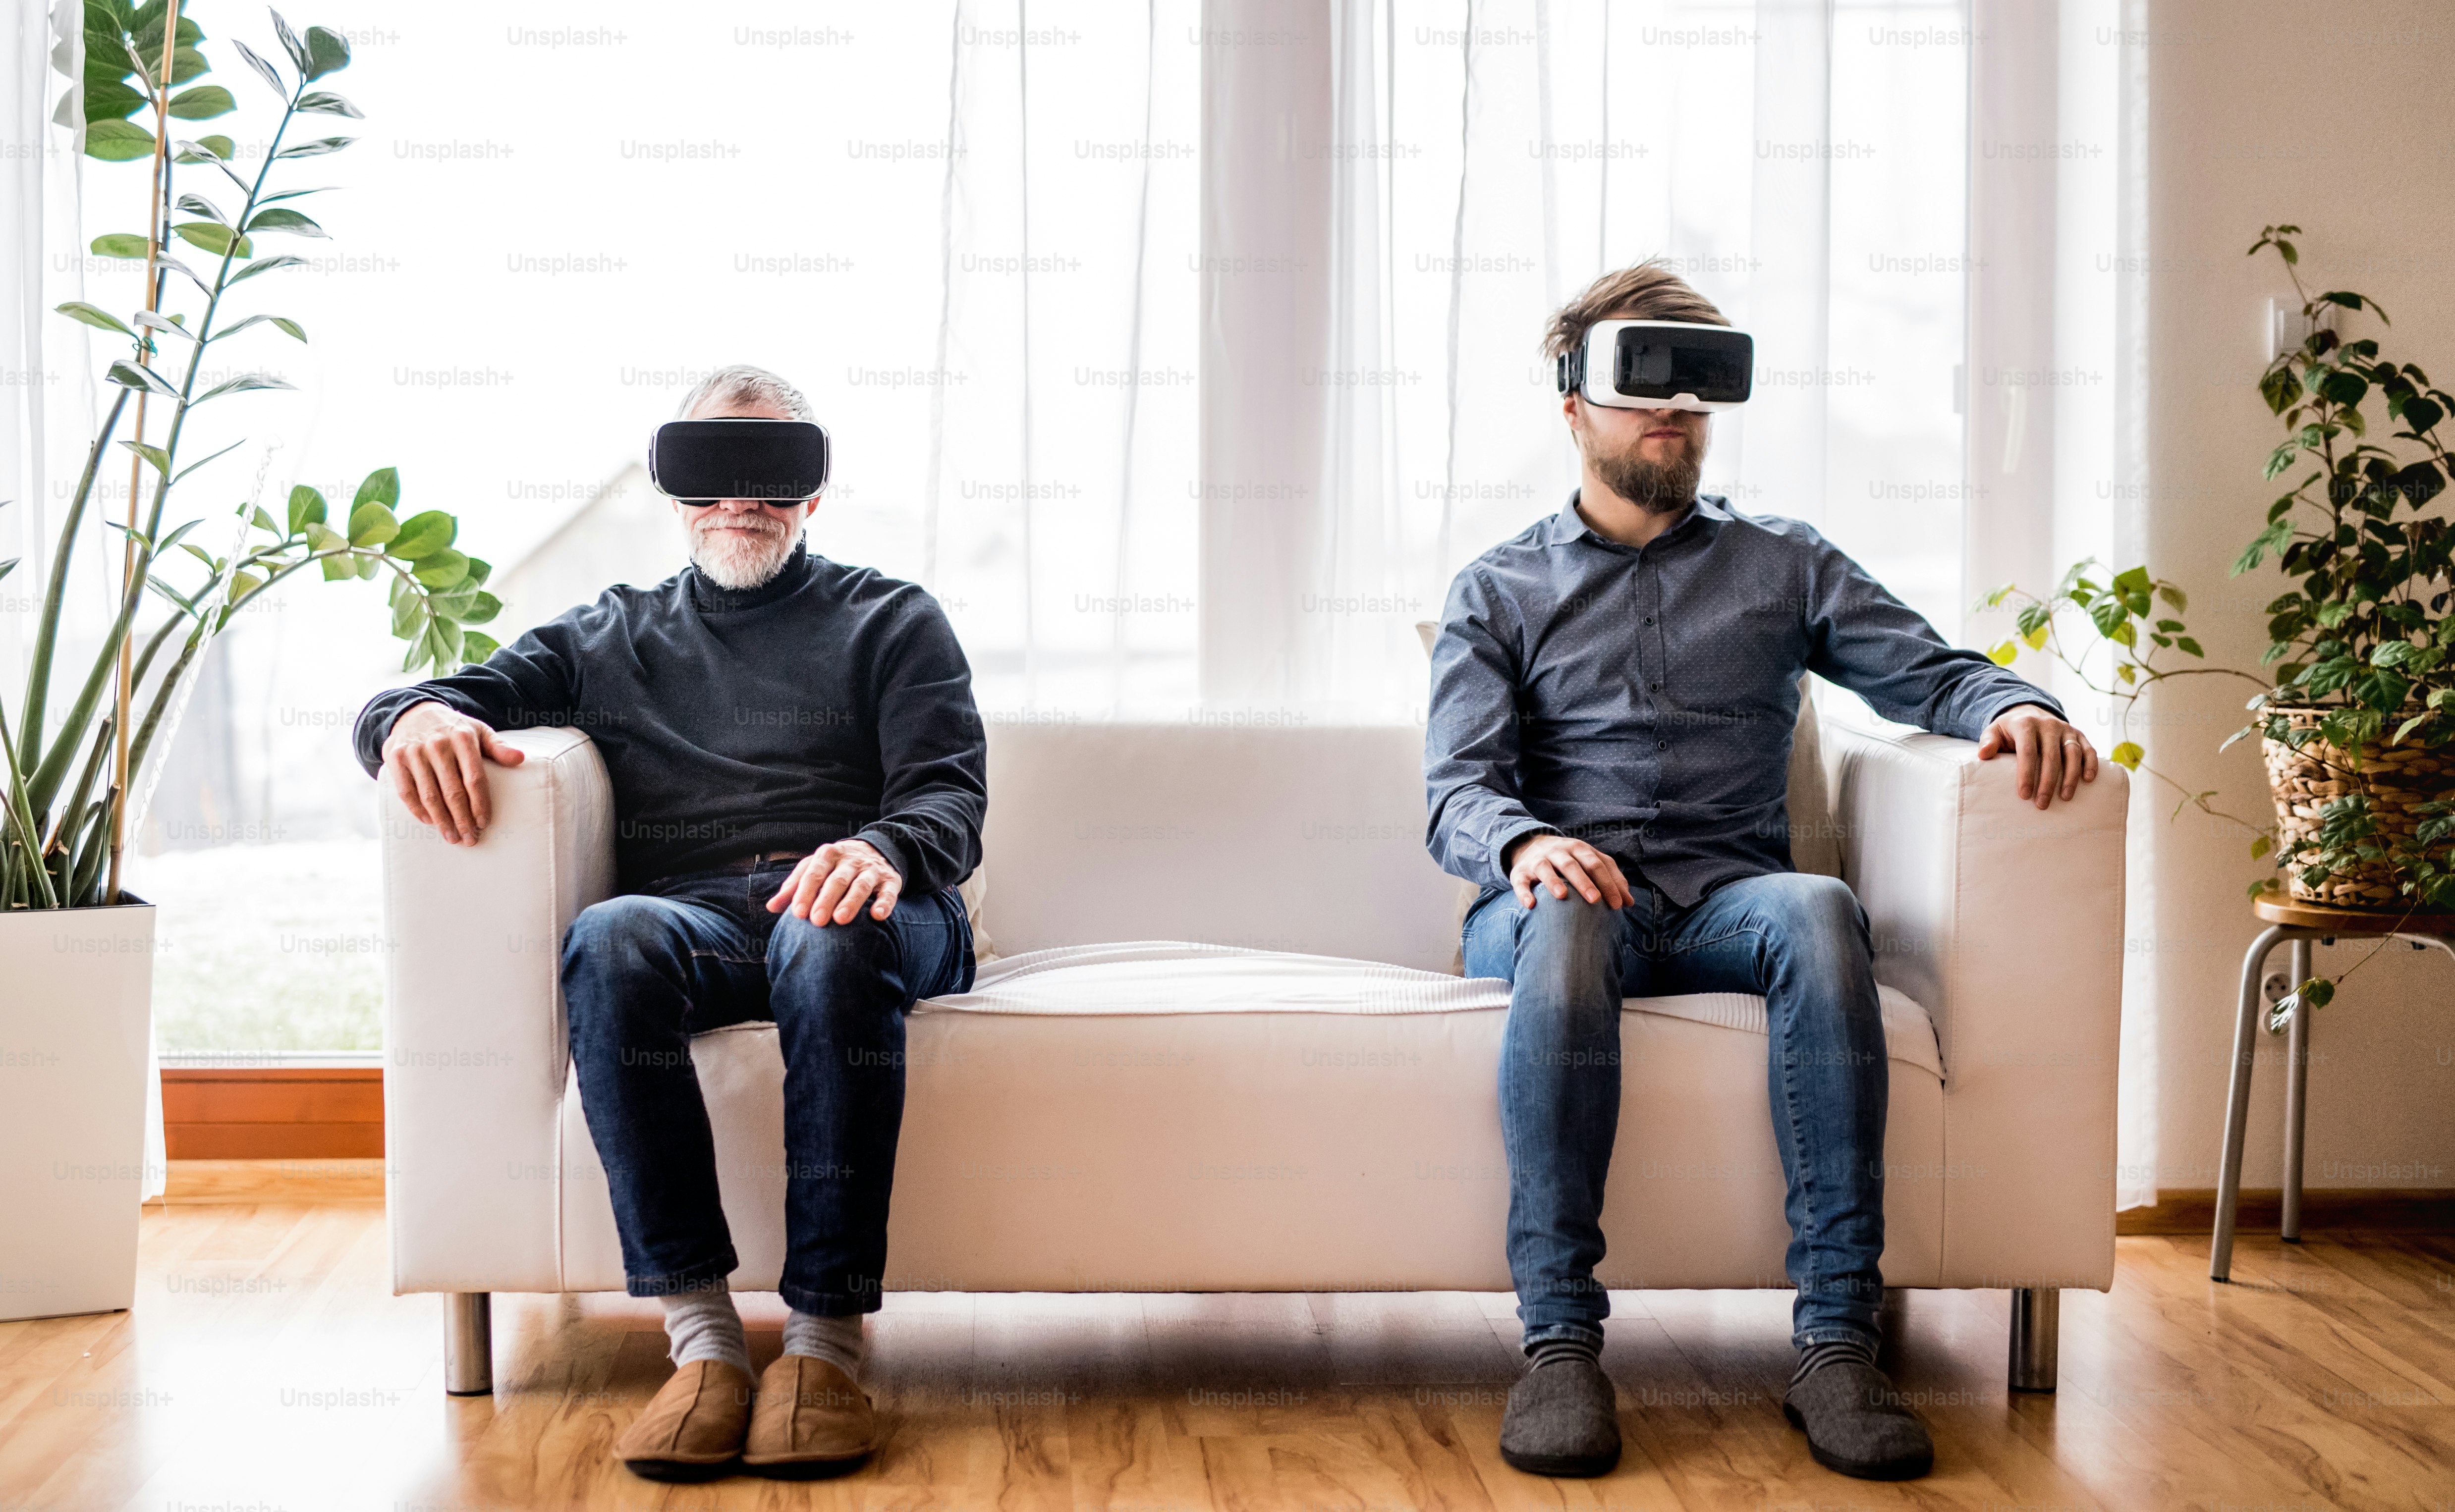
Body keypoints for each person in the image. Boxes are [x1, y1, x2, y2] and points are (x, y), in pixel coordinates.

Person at [1423, 260, 2097, 1482]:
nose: (1672, 412)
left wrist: (2015, 703)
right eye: (1643, 384)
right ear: (1573, 403)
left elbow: (1930, 672)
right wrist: (1524, 842)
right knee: (1570, 913)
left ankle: (1836, 1343)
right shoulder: (1498, 588)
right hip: (1552, 909)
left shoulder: (1785, 563)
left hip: (1727, 899)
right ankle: (1559, 1344)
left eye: (1694, 388)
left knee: (1818, 906)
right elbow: (1454, 793)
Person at [350, 364, 985, 1482]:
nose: (740, 498)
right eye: (711, 471)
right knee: (611, 938)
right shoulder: (609, 635)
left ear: (812, 492)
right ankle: (702, 1346)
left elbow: (949, 799)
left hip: (877, 906)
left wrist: (880, 848)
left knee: (827, 936)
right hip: (702, 918)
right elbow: (433, 698)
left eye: (770, 473)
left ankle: (824, 1348)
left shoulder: (892, 618)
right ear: (674, 488)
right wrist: (411, 717)